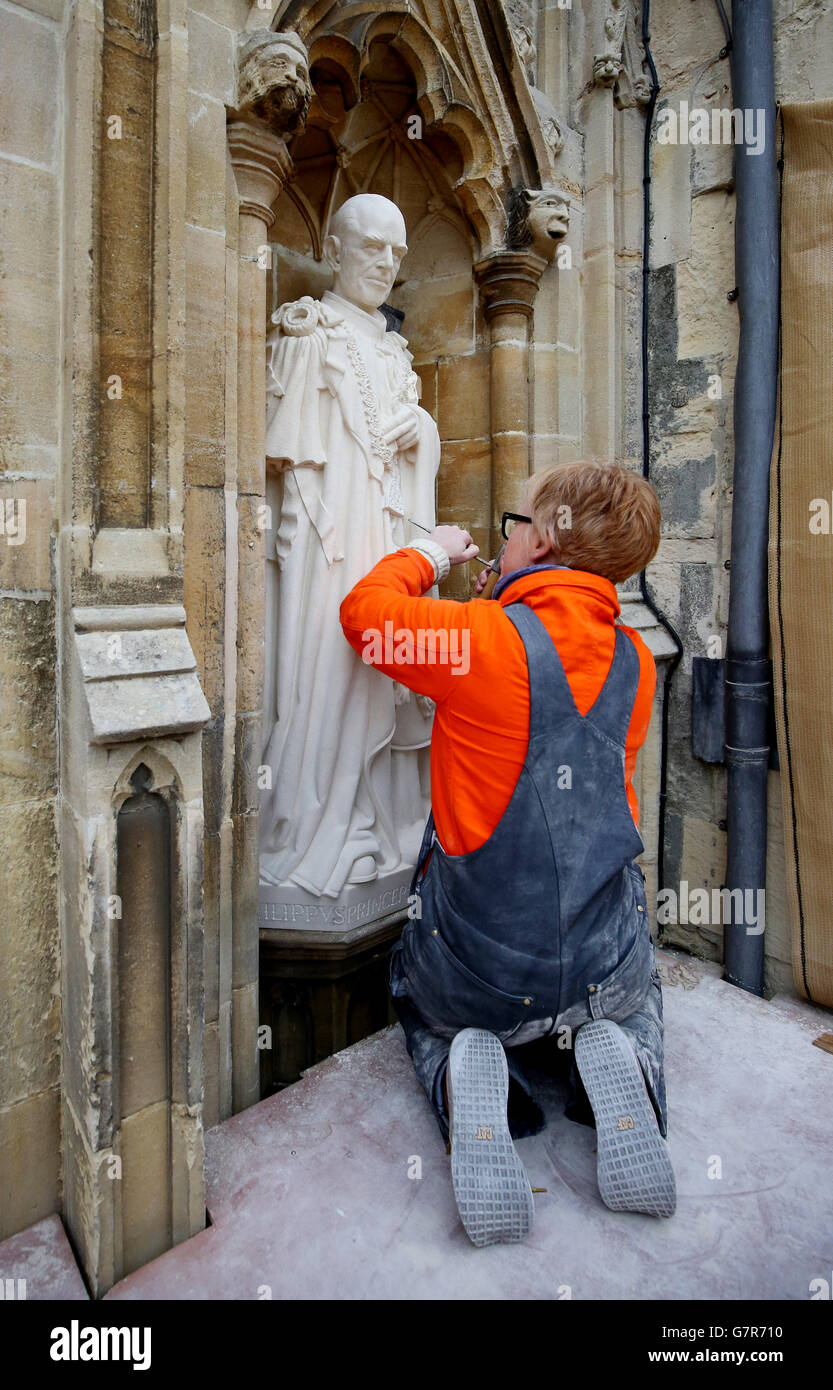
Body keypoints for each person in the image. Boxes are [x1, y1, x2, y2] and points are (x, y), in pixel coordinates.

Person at [339, 460, 676, 1246]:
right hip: (599, 960)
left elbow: (366, 616)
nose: (505, 536)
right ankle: (629, 1059)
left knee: (416, 1000)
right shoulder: (633, 659)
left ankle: (461, 1068)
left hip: (477, 972)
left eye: (512, 523)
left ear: (547, 535)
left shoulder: (478, 638)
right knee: (640, 989)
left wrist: (432, 557)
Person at [260, 194, 439, 898]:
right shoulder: (308, 333)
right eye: (372, 247)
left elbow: (407, 455)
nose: (386, 265)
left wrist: (423, 432)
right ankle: (311, 828)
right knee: (324, 668)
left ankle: (374, 821)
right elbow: (292, 476)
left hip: (388, 535)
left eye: (397, 254)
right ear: (333, 250)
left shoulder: (395, 351)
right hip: (325, 548)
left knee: (387, 669)